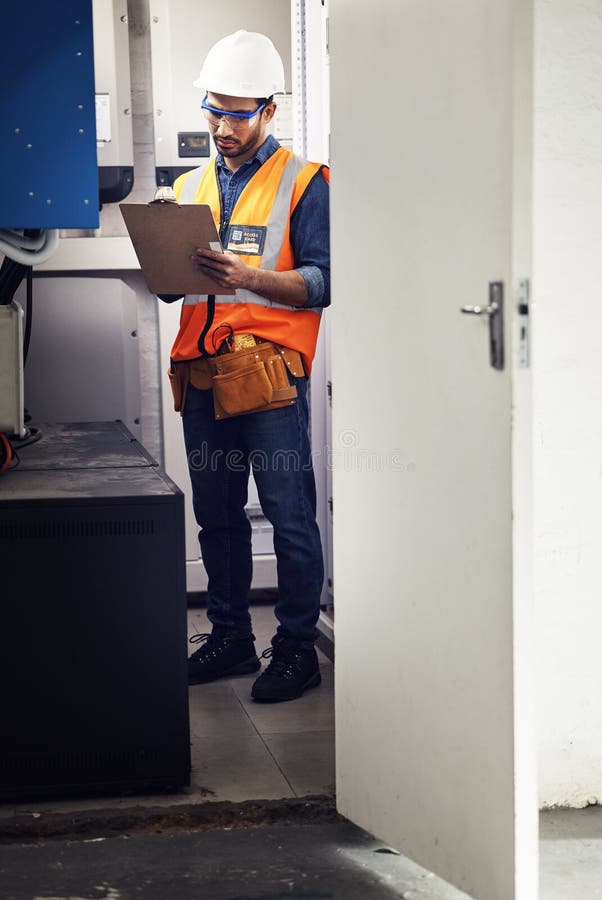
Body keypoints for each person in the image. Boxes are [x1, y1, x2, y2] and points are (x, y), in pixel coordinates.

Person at [161, 30, 330, 703]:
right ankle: (230, 637)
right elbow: (181, 288)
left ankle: (296, 649)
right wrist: (165, 264)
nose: (222, 125)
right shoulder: (189, 184)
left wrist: (251, 277)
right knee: (218, 516)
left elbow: (323, 282)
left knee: (289, 516)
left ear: (268, 111)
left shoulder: (305, 182)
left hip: (268, 376)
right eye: (213, 109)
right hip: (202, 372)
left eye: (236, 112)